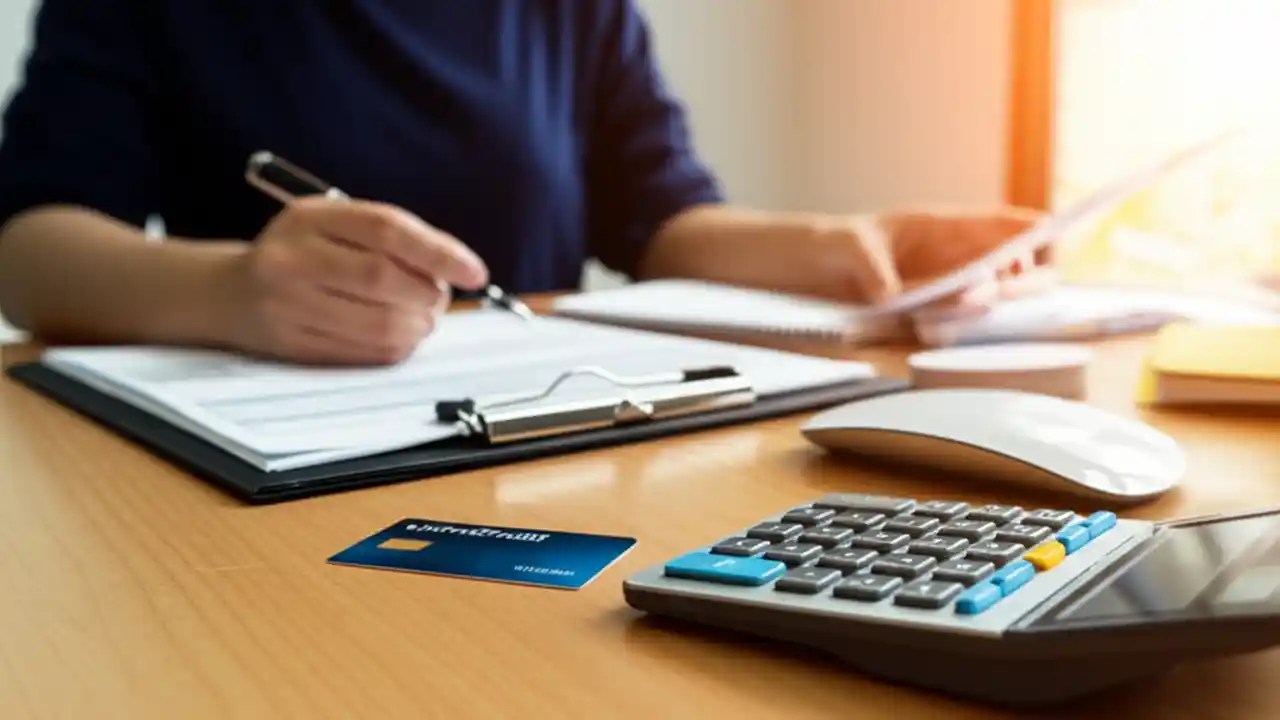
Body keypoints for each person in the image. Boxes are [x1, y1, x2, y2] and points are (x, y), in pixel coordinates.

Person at [0, 1, 1047, 365]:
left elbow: (661, 220)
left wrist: (842, 251)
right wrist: (233, 292)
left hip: (546, 453)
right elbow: (30, 249)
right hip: (256, 490)